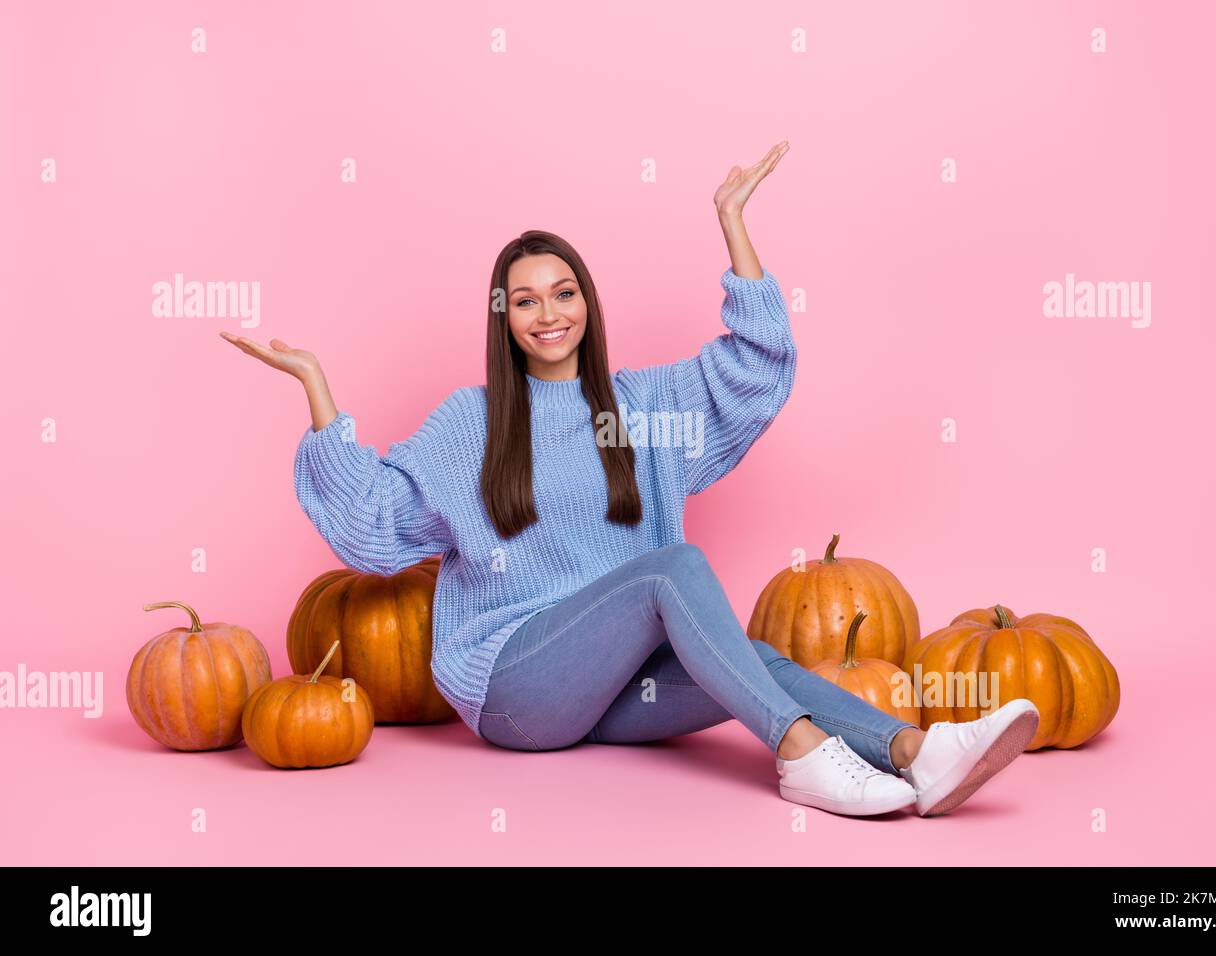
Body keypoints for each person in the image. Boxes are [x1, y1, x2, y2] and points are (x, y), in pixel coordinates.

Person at [221, 141, 1039, 817]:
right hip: (515, 692)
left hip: (615, 692)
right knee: (673, 569)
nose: (549, 314)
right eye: (526, 300)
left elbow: (755, 370)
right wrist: (317, 389)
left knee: (750, 658)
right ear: (503, 318)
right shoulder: (472, 422)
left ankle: (919, 755)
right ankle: (800, 756)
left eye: (564, 292)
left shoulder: (641, 408)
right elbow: (372, 521)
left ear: (588, 303)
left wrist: (731, 223)